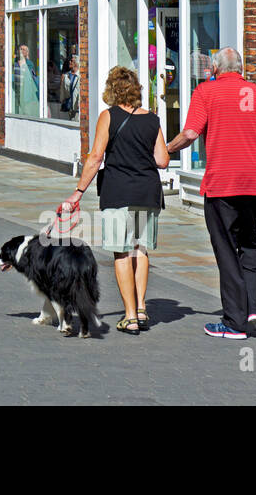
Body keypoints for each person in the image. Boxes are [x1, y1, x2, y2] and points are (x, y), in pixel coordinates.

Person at [167, 47, 256, 340]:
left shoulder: (206, 92)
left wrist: (164, 151)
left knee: (226, 249)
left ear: (214, 68)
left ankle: (234, 322)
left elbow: (189, 134)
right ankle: (254, 310)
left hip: (222, 185)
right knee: (249, 244)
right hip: (254, 184)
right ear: (241, 68)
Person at [62, 66, 168, 335]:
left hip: (119, 191)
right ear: (137, 90)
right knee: (141, 249)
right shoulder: (152, 119)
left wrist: (78, 192)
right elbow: (163, 160)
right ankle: (142, 308)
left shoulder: (108, 117)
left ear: (111, 89)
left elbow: (96, 157)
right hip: (147, 191)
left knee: (122, 252)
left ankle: (130, 316)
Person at [13, 43, 41, 117]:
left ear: (27, 53)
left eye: (24, 49)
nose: (21, 51)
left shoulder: (29, 64)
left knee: (25, 110)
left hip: (25, 92)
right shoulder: (14, 62)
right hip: (15, 90)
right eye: (20, 49)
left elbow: (32, 78)